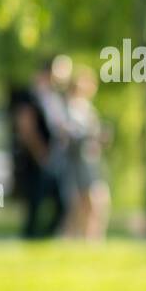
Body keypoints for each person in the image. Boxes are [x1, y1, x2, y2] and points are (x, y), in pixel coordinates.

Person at [9, 54, 71, 238]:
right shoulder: (31, 95)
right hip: (37, 159)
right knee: (35, 205)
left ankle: (44, 239)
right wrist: (40, 153)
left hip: (55, 156)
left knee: (61, 203)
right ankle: (31, 238)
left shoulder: (55, 97)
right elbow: (26, 127)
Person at [63, 65, 112, 240]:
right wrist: (92, 135)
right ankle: (78, 238)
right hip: (79, 161)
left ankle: (91, 238)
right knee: (85, 203)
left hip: (91, 159)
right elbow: (70, 134)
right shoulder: (69, 107)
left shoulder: (87, 107)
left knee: (95, 202)